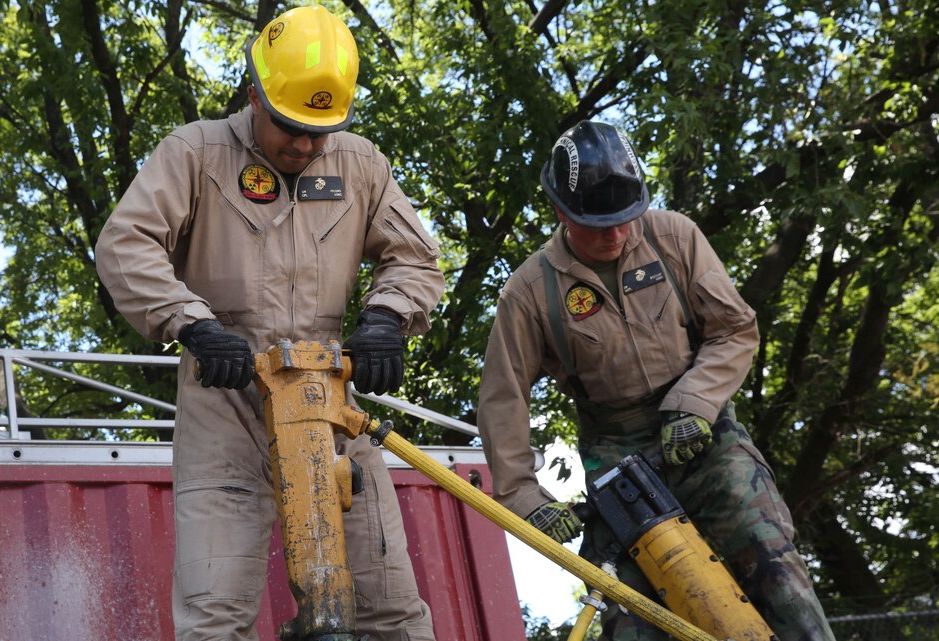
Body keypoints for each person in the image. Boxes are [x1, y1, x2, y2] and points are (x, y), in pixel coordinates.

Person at [94, 6, 443, 640]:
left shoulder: (360, 165)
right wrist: (192, 324)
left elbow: (414, 256)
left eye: (321, 131)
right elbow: (125, 243)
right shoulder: (195, 153)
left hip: (331, 404)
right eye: (290, 128)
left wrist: (388, 316)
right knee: (214, 615)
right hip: (225, 404)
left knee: (393, 610)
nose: (307, 146)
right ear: (254, 93)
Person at [476, 120, 836, 640]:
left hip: (707, 439)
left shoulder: (674, 237)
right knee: (633, 618)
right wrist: (527, 500)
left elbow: (734, 329)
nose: (617, 234)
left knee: (775, 570)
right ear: (560, 211)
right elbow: (502, 400)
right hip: (618, 460)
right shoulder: (529, 292)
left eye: (626, 219)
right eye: (599, 225)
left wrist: (695, 403)